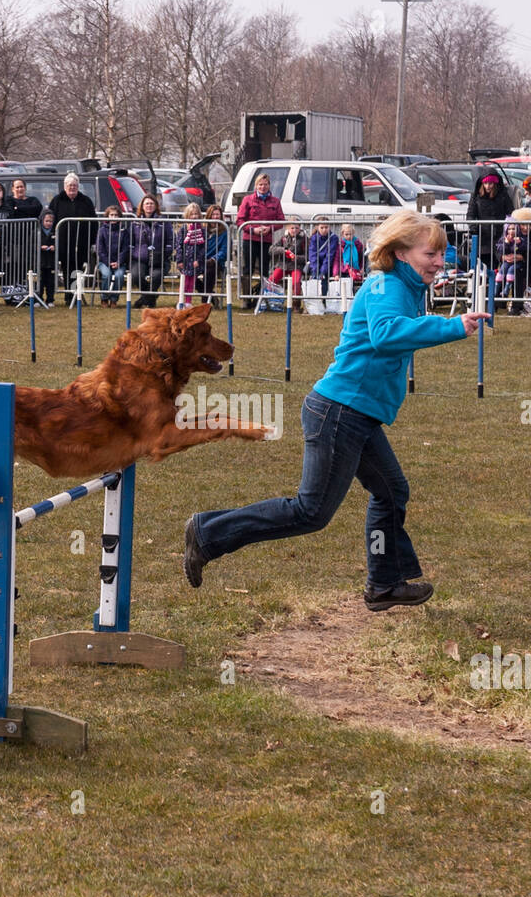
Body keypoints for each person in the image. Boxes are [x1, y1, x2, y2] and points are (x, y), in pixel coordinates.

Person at [183, 209, 489, 610]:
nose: (439, 261)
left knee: (391, 490)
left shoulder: (406, 287)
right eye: (431, 253)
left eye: (442, 253)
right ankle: (208, 532)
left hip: (356, 414)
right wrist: (451, 326)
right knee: (310, 512)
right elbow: (385, 334)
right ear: (399, 252)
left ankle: (384, 584)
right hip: (339, 412)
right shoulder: (386, 287)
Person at [48, 174, 96, 297]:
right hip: (64, 243)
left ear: (78, 186)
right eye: (70, 185)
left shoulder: (86, 201)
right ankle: (69, 295)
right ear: (65, 186)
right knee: (66, 267)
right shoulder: (57, 200)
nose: (72, 188)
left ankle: (77, 293)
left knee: (78, 268)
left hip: (82, 242)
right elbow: (50, 219)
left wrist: (93, 239)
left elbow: (93, 221)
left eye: (75, 185)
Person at [235, 172, 281, 300]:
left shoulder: (276, 202)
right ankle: (246, 298)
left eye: (265, 184)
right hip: (249, 239)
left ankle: (261, 297)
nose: (263, 187)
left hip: (266, 240)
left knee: (264, 270)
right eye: (260, 184)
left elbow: (281, 221)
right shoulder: (247, 200)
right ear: (256, 186)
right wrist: (253, 230)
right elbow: (240, 220)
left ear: (269, 186)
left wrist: (270, 228)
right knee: (247, 269)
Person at [131, 194, 173, 309]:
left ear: (156, 205)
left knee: (156, 276)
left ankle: (144, 300)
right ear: (142, 206)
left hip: (159, 259)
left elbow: (170, 239)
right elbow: (131, 240)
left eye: (151, 203)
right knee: (136, 275)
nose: (149, 206)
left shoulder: (163, 221)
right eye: (146, 203)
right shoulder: (135, 222)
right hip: (140, 258)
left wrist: (166, 254)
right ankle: (151, 297)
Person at [466, 171, 511, 275]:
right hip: (483, 238)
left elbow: (510, 213)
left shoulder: (503, 195)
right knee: (485, 269)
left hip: (500, 237)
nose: (488, 186)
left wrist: (509, 229)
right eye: (485, 183)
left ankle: (496, 289)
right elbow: (470, 215)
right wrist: (473, 228)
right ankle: (485, 290)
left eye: (490, 183)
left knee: (500, 267)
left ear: (495, 184)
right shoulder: (476, 196)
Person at [175, 202, 216, 305]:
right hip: (184, 260)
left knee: (191, 282)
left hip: (195, 260)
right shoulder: (183, 229)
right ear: (187, 215)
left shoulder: (202, 230)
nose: (194, 216)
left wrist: (198, 259)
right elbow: (179, 245)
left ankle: (188, 301)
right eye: (192, 214)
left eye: (196, 214)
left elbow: (203, 247)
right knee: (184, 281)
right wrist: (179, 260)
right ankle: (181, 300)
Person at [95, 204, 131, 306]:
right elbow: (100, 248)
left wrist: (119, 262)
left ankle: (114, 299)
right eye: (111, 215)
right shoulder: (102, 230)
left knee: (119, 275)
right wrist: (108, 262)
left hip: (120, 262)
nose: (114, 217)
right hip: (104, 262)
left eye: (116, 215)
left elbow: (125, 249)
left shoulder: (124, 231)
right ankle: (104, 298)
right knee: (107, 274)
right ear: (107, 216)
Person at [268, 220, 306, 297]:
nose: (294, 230)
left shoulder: (304, 239)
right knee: (271, 280)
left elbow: (307, 256)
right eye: (292, 228)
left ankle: (296, 304)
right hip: (283, 265)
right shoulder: (283, 238)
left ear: (300, 228)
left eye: (297, 228)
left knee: (296, 283)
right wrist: (283, 250)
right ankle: (268, 299)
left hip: (296, 266)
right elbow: (271, 249)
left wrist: (297, 258)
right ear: (287, 228)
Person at [308, 218, 340, 297]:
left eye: (326, 227)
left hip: (328, 265)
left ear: (330, 227)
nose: (324, 230)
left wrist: (323, 271)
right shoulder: (314, 238)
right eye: (322, 227)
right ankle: (314, 302)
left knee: (325, 282)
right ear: (317, 227)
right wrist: (316, 269)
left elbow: (330, 255)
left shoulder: (333, 238)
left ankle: (324, 300)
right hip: (315, 265)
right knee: (314, 284)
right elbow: (312, 254)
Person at [335, 224, 365, 289]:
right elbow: (337, 260)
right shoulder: (340, 245)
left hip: (355, 270)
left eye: (351, 234)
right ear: (342, 234)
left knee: (355, 288)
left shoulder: (358, 244)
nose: (349, 236)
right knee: (345, 288)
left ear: (353, 233)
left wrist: (362, 267)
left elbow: (361, 257)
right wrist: (336, 273)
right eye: (346, 234)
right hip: (344, 270)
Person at [37, 209, 58, 304]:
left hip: (51, 261)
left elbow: (60, 244)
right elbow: (31, 243)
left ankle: (50, 299)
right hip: (40, 261)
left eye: (51, 221)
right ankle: (38, 299)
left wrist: (55, 246)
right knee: (39, 281)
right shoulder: (37, 231)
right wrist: (39, 246)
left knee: (50, 281)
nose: (49, 223)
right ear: (42, 220)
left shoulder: (56, 231)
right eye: (46, 221)